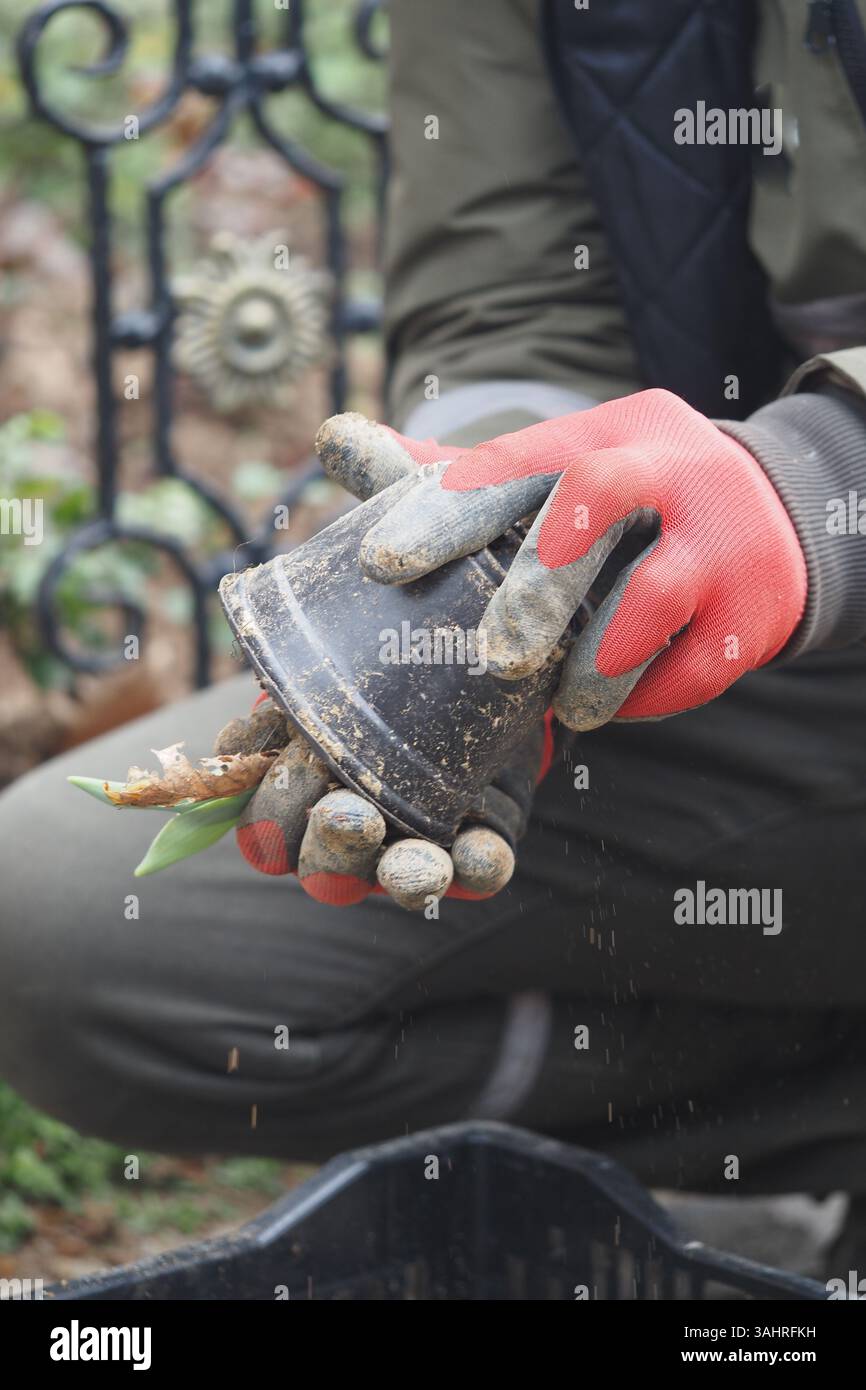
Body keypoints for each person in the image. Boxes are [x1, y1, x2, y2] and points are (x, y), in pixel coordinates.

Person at [2, 0, 865, 1274]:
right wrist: (497, 589)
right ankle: (808, 1129)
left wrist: (821, 474)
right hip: (737, 631)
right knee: (73, 928)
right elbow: (512, 293)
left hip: (802, 517)